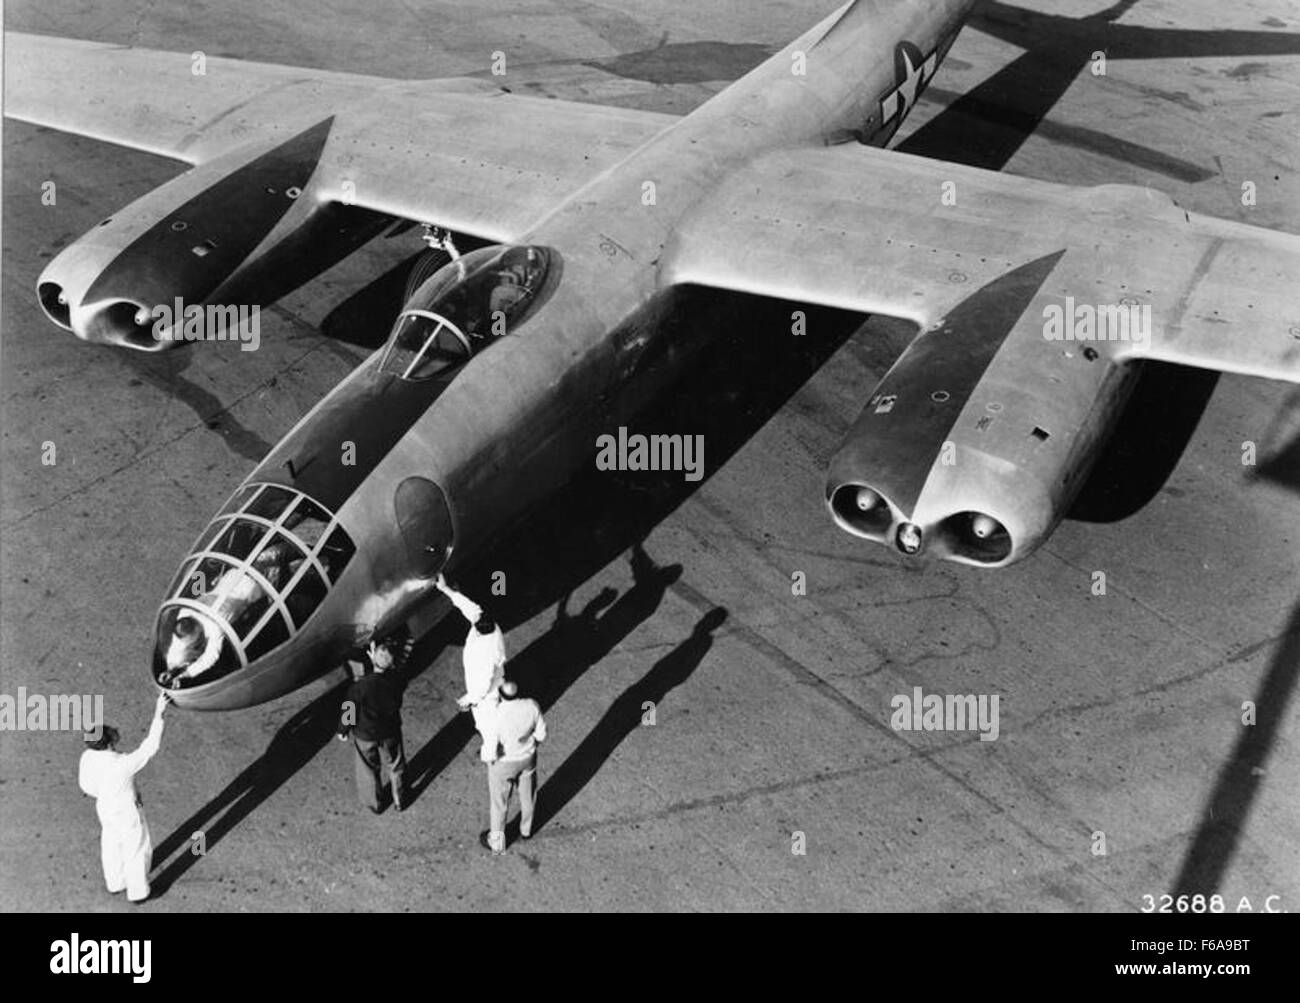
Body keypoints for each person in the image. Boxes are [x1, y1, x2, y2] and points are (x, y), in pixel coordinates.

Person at [78, 692, 170, 903]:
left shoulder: (88, 757)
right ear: (109, 742)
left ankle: (116, 882)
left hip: (105, 807)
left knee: (111, 844)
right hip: (126, 810)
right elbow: (150, 747)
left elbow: (86, 785)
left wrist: (105, 793)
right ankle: (139, 892)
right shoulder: (122, 764)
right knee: (136, 848)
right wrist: (159, 712)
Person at [434, 573, 505, 763]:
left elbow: (483, 685)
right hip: (478, 689)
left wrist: (468, 699)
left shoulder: (491, 649)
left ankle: (490, 757)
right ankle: (489, 749)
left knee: (488, 727)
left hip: (487, 694)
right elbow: (469, 607)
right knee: (482, 724)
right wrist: (445, 589)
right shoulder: (482, 622)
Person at [337, 640, 407, 813]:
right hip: (390, 731)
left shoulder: (359, 687)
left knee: (368, 769)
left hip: (365, 734)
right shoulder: (397, 682)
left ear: (372, 658)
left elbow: (350, 709)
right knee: (396, 765)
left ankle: (375, 803)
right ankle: (400, 799)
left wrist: (343, 730)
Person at [482, 681, 546, 854]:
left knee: (499, 804)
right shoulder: (531, 706)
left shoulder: (496, 715)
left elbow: (489, 750)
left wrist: (488, 761)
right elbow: (541, 734)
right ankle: (526, 830)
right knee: (528, 795)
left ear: (501, 695)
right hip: (527, 758)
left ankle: (497, 843)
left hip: (503, 763)